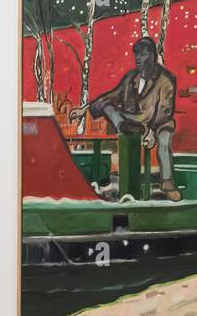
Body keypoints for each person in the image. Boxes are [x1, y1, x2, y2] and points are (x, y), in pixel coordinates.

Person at [69, 35, 181, 201]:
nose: (138, 58)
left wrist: (151, 130)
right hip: (134, 121)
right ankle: (123, 127)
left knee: (163, 142)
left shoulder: (166, 79)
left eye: (142, 54)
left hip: (159, 123)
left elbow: (164, 111)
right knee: (108, 106)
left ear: (153, 55)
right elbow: (113, 95)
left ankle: (167, 182)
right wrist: (84, 109)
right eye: (136, 54)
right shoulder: (131, 77)